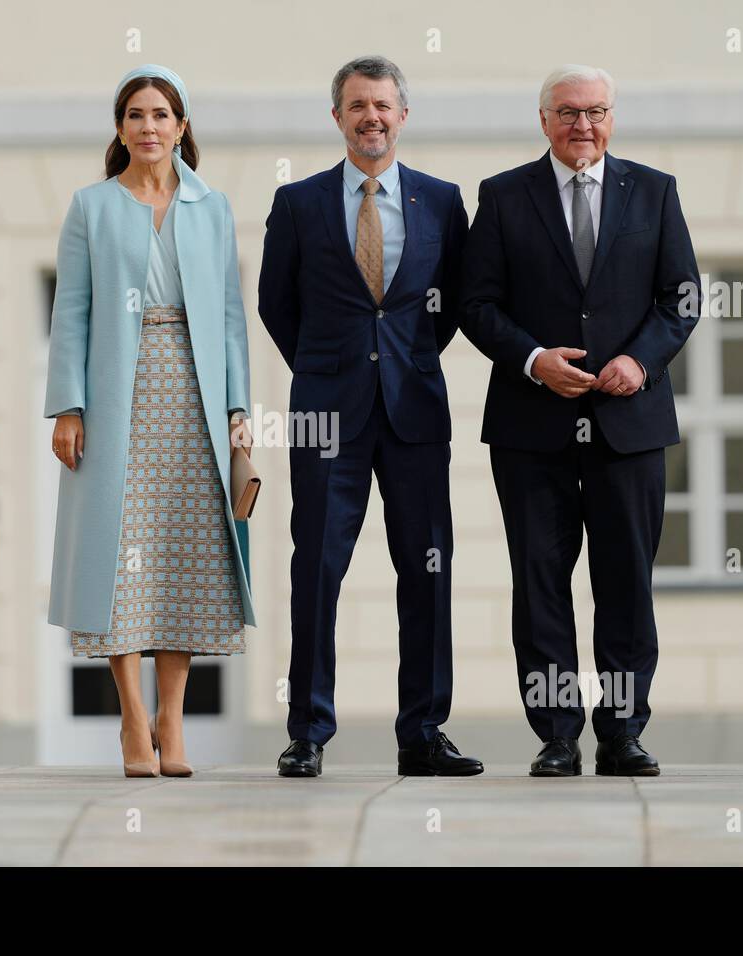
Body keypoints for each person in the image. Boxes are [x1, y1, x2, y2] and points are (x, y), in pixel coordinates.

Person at [459, 64, 701, 777]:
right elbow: (476, 305)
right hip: (533, 428)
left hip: (631, 423)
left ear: (613, 118)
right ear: (543, 121)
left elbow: (681, 296)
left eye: (595, 112)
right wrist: (534, 359)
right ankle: (557, 735)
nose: (582, 125)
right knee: (540, 583)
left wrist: (643, 361)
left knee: (625, 582)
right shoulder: (504, 197)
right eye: (567, 112)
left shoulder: (654, 191)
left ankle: (622, 733)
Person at [259, 55, 480, 778]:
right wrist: (328, 369)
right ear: (337, 118)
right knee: (316, 569)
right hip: (327, 417)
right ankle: (308, 732)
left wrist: (403, 360)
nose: (371, 117)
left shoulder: (442, 202)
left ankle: (422, 733)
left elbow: (451, 304)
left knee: (426, 570)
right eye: (357, 106)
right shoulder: (298, 204)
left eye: (383, 105)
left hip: (415, 411)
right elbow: (276, 305)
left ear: (402, 115)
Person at [45, 64, 255, 778]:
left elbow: (230, 316)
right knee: (116, 563)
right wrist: (68, 406)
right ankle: (133, 722)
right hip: (115, 393)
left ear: (182, 127)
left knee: (185, 558)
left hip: (194, 393)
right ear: (120, 128)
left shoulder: (212, 206)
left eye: (161, 114)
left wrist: (238, 414)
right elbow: (70, 311)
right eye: (136, 114)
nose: (149, 126)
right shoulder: (91, 206)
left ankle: (173, 718)